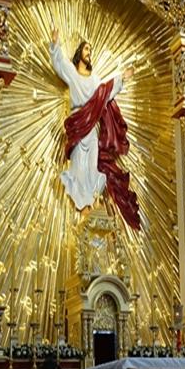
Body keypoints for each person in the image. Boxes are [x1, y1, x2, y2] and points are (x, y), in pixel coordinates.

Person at [50, 28, 139, 228]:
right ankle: (83, 204)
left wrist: (122, 77)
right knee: (79, 163)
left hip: (91, 128)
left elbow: (106, 91)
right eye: (86, 49)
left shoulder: (95, 80)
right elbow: (61, 64)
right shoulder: (73, 74)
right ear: (79, 53)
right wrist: (56, 45)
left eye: (91, 49)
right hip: (78, 122)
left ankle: (92, 200)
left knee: (92, 164)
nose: (89, 52)